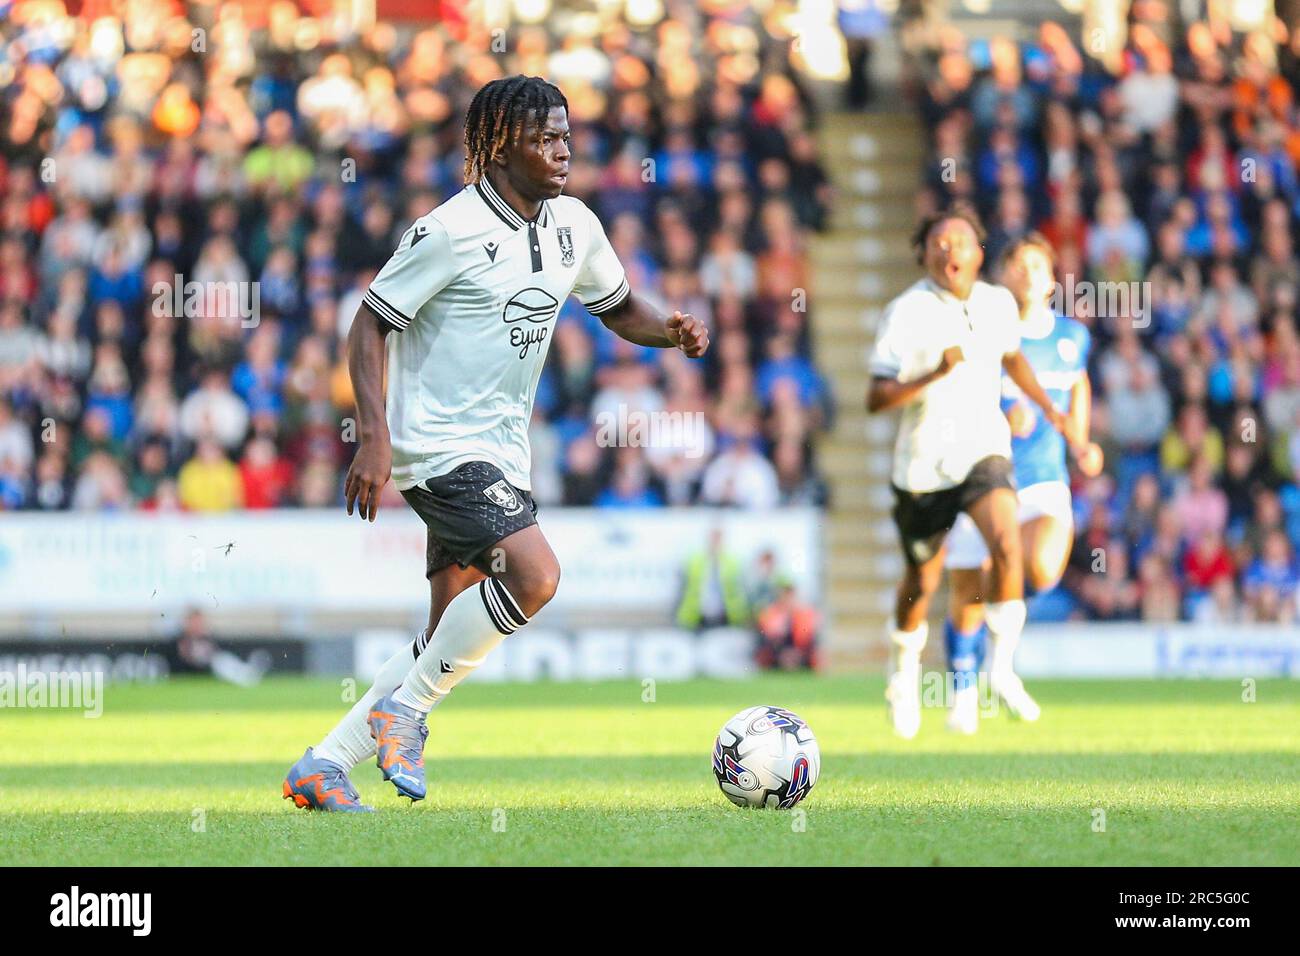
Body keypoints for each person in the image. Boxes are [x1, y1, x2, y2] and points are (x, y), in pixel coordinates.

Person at [283, 76, 709, 813]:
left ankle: (323, 765)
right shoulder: (447, 231)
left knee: (444, 636)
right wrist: (374, 437)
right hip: (436, 447)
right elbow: (368, 323)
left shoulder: (575, 223)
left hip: (504, 452)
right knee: (536, 578)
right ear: (499, 145)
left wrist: (666, 329)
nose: (562, 150)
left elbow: (617, 309)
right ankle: (403, 714)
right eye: (544, 138)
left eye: (566, 136)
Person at [866, 205, 1068, 740]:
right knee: (922, 580)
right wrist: (935, 372)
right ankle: (904, 672)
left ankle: (999, 669)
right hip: (924, 466)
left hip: (984, 451)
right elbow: (875, 398)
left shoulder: (998, 303)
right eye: (939, 240)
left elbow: (1013, 358)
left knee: (1006, 541)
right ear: (925, 253)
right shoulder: (905, 313)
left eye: (960, 239)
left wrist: (1048, 407)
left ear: (979, 253)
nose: (950, 248)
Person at [942, 234, 1103, 734]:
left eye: (1039, 265)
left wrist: (1081, 440)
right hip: (983, 472)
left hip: (1044, 478)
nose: (1030, 273)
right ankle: (964, 691)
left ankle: (1000, 667)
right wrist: (998, 412)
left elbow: (1077, 382)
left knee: (1041, 565)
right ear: (1004, 275)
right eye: (1020, 264)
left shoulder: (1071, 337)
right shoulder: (982, 331)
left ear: (1052, 280)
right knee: (968, 586)